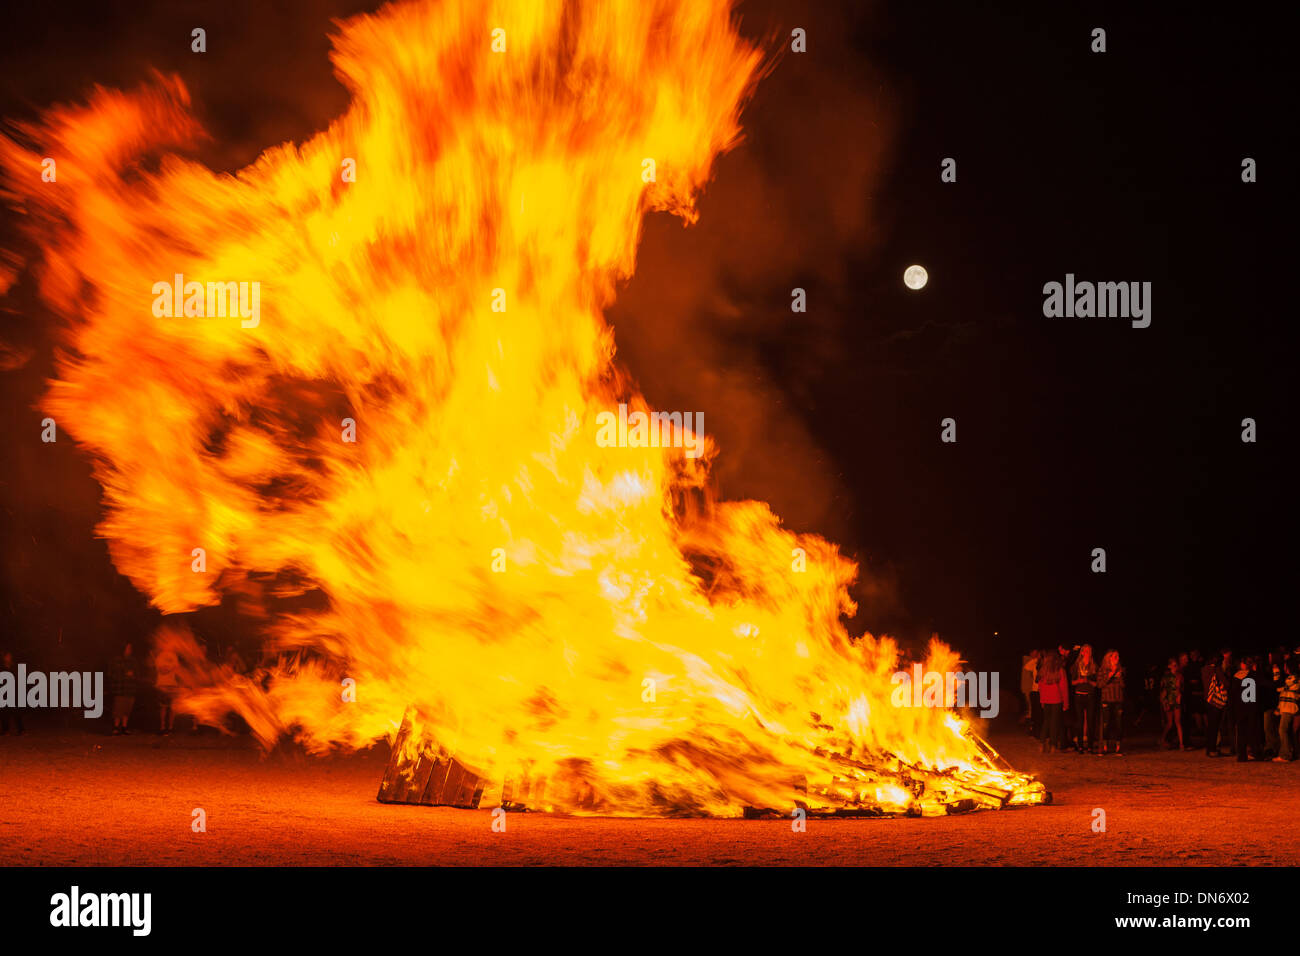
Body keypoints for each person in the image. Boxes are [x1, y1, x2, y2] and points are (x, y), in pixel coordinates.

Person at [1230, 655, 1262, 762]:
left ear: (1243, 664)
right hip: (1252, 707)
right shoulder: (1255, 675)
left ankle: (1242, 755)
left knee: (1241, 732)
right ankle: (1255, 752)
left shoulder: (1237, 676)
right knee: (1253, 731)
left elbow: (1233, 693)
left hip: (1240, 707)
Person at [1038, 649, 1069, 754]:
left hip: (1046, 700)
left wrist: (1042, 700)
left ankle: (1042, 744)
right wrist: (1066, 703)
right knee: (1055, 723)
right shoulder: (1060, 671)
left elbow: (1040, 687)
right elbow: (1064, 688)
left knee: (1046, 722)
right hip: (1057, 699)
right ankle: (1053, 745)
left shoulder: (1042, 671)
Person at [1069, 644, 1099, 753]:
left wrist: (1089, 682)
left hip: (1090, 696)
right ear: (1082, 652)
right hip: (1079, 695)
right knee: (1080, 721)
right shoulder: (1076, 666)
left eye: (1089, 651)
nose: (1088, 653)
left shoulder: (1094, 666)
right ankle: (1080, 745)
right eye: (1086, 651)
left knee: (1091, 721)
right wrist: (1079, 681)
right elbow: (1072, 682)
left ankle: (1090, 745)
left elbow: (1097, 684)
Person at [1097, 649, 1125, 755]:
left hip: (1118, 699)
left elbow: (1123, 686)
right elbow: (1099, 685)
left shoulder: (1121, 670)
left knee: (1119, 724)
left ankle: (1118, 747)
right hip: (1106, 700)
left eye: (1118, 656)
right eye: (1114, 656)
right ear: (1109, 658)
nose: (1117, 658)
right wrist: (1110, 676)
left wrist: (1120, 677)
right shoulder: (1103, 670)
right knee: (1106, 723)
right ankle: (1104, 746)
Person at [1203, 649, 1229, 756]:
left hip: (1208, 699)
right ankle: (1213, 749)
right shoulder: (1217, 669)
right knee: (1215, 726)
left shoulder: (1204, 669)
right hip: (1216, 700)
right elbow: (1226, 683)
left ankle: (1209, 748)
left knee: (1210, 726)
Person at [109, 643, 138, 735]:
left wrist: (133, 676)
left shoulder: (133, 661)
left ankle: (124, 727)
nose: (129, 650)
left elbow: (137, 673)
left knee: (127, 709)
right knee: (118, 709)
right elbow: (112, 673)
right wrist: (125, 673)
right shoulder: (117, 660)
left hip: (130, 689)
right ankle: (116, 727)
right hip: (120, 688)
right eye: (127, 648)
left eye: (130, 648)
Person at [1275, 659, 1298, 762]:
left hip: (1289, 707)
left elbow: (1281, 688)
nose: (1284, 668)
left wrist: (1276, 673)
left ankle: (1286, 755)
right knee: (1285, 730)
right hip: (1286, 707)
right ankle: (1286, 752)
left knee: (1282, 730)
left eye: (1285, 666)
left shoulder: (1294, 678)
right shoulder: (1290, 678)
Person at [1159, 657, 1184, 750]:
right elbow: (1163, 690)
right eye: (1173, 665)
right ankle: (1162, 739)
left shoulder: (1179, 676)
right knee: (1170, 723)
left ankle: (1182, 743)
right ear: (1169, 666)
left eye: (1176, 665)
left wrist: (1179, 694)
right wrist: (1164, 702)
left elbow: (1181, 688)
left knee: (1178, 721)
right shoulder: (1166, 677)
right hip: (1169, 700)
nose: (1175, 667)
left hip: (1176, 700)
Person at [154, 645, 180, 735]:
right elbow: (161, 670)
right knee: (163, 707)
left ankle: (170, 728)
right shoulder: (160, 656)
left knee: (172, 708)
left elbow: (176, 668)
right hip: (162, 685)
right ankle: (162, 727)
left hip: (173, 684)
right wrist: (169, 668)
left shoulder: (174, 656)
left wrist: (168, 668)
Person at [0, 651, 23, 735]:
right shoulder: (2, 668)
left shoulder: (14, 668)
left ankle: (21, 730)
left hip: (13, 693)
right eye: (7, 656)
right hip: (4, 693)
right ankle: (5, 730)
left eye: (10, 656)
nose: (9, 658)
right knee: (4, 712)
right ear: (4, 658)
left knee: (16, 711)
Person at [1021, 650, 1040, 734]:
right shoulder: (1033, 662)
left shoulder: (1040, 664)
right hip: (1032, 690)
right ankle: (1033, 728)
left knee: (1035, 710)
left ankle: (1034, 728)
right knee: (1032, 709)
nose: (1035, 655)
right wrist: (1035, 659)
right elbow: (1026, 667)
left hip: (1037, 690)